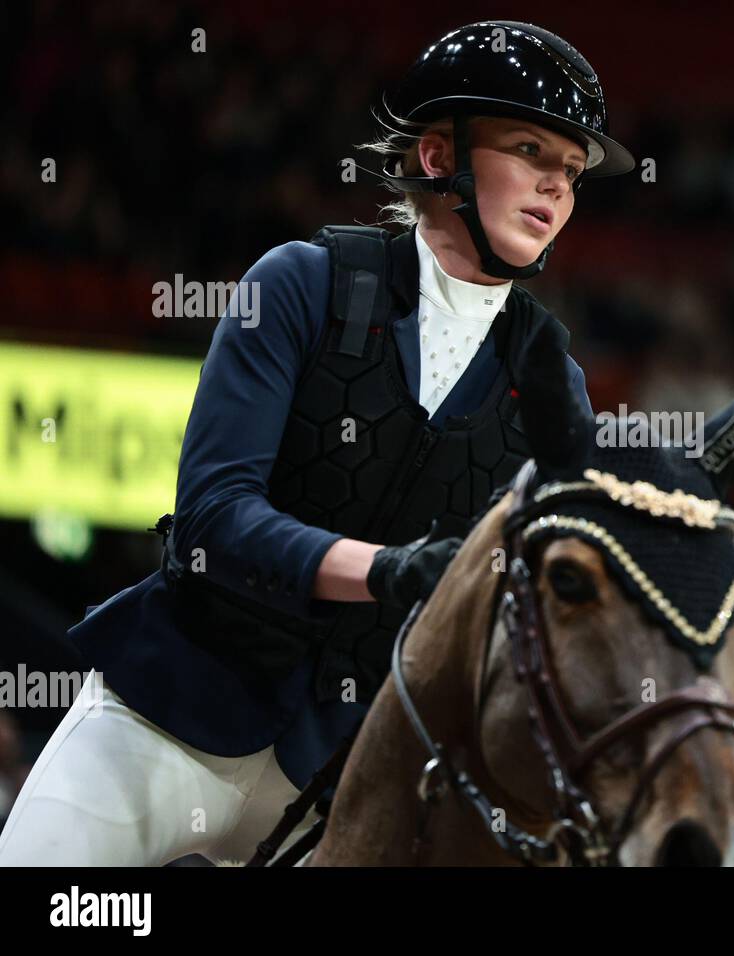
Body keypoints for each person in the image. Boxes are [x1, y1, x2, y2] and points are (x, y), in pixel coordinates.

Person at [0, 20, 634, 866]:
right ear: (439, 158)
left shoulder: (555, 382)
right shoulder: (301, 283)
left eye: (573, 172)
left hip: (337, 781)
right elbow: (215, 519)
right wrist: (385, 570)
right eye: (530, 149)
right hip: (169, 720)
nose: (556, 187)